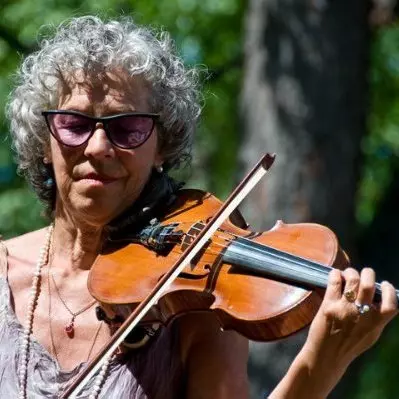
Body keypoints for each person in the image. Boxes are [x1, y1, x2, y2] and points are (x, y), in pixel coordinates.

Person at [0, 15, 397, 399]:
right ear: (44, 142)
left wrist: (323, 362)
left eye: (128, 128)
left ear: (162, 146)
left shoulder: (193, 309)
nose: (99, 147)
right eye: (74, 124)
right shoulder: (6, 274)